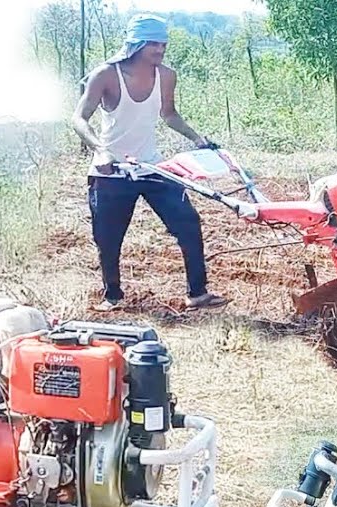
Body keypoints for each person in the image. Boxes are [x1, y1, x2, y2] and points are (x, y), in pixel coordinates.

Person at [71, 13, 228, 312]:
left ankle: (197, 293)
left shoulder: (167, 76)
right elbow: (79, 118)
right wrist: (99, 151)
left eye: (163, 43)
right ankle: (113, 296)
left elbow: (168, 114)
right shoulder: (106, 75)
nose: (161, 49)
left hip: (151, 167)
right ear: (137, 44)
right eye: (154, 43)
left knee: (188, 222)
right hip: (112, 172)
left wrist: (197, 139)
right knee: (108, 237)